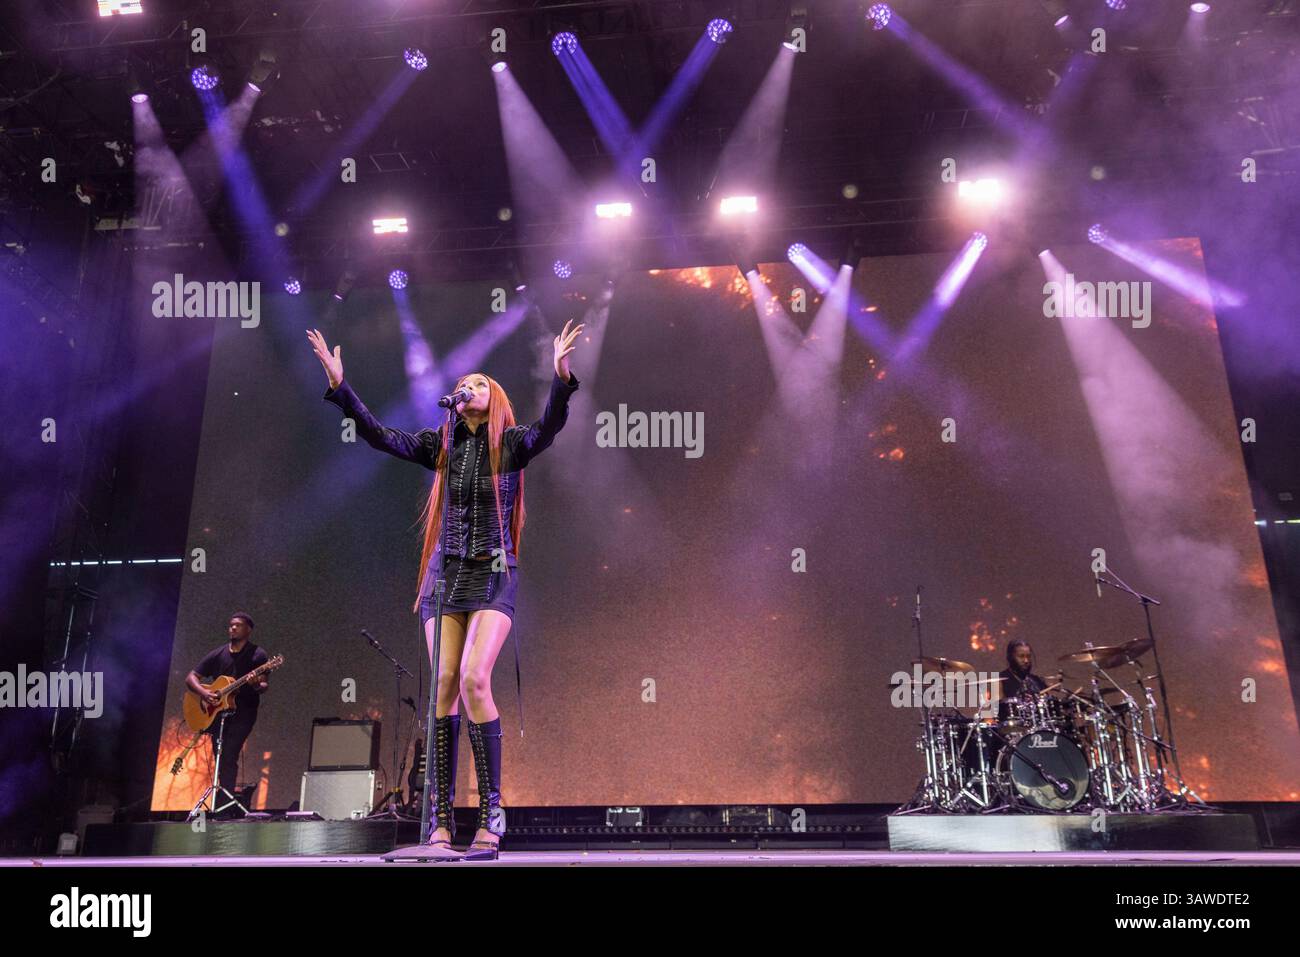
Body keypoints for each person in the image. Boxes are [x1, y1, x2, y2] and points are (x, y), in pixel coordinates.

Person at [308, 320, 583, 860]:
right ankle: (437, 824)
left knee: (477, 679)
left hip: (493, 573)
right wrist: (342, 390)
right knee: (444, 685)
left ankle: (491, 814)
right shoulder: (441, 446)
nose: (468, 388)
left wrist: (561, 378)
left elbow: (551, 425)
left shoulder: (514, 444)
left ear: (494, 398)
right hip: (445, 575)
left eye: (479, 383)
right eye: (464, 385)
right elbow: (382, 436)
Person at [185, 612, 269, 810]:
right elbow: (190, 678)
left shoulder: (258, 655)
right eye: (230, 625)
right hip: (218, 713)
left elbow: (264, 685)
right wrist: (204, 694)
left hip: (244, 712)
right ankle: (221, 803)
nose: (232, 628)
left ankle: (225, 804)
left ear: (248, 629)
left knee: (229, 753)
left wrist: (257, 685)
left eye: (238, 625)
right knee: (220, 755)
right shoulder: (218, 653)